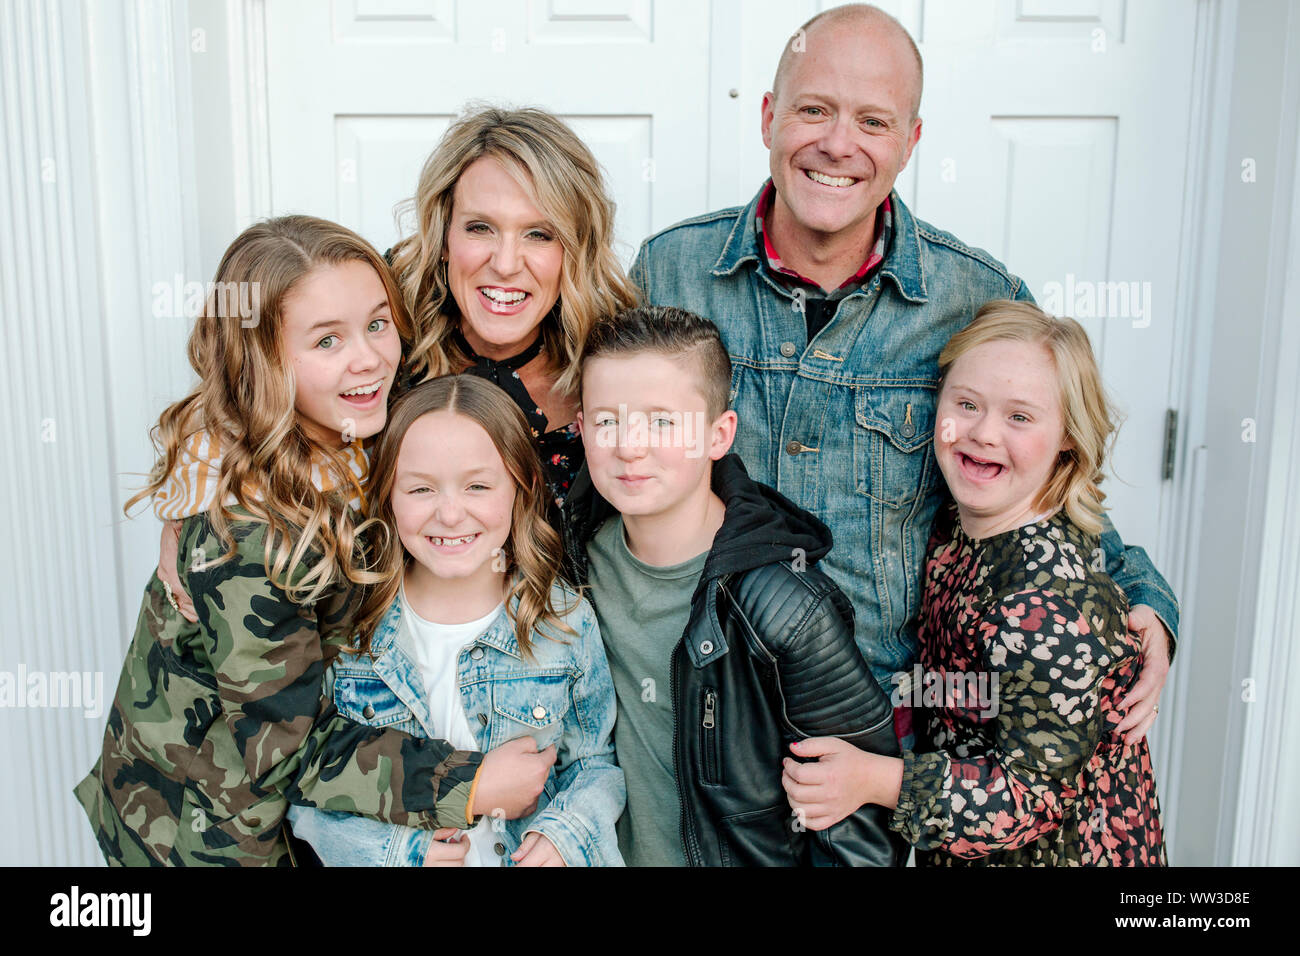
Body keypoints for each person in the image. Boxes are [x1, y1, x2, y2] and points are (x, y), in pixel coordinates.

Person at [629, 4, 1178, 748]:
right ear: (767, 117)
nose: (837, 144)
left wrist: (1144, 596)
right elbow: (605, 447)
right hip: (701, 708)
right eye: (813, 109)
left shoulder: (974, 297)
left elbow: (1042, 480)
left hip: (876, 727)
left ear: (911, 141)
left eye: (874, 122)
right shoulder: (674, 271)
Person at [74, 216, 553, 866]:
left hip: (299, 793)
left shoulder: (350, 415)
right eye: (328, 340)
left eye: (378, 324)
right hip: (205, 826)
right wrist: (465, 784)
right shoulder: (243, 533)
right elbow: (284, 746)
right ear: (263, 361)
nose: (370, 357)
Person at [157, 105, 639, 624]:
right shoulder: (382, 316)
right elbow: (247, 385)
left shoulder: (618, 352)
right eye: (480, 227)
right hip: (386, 667)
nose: (505, 262)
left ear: (577, 244)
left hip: (573, 662)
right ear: (443, 231)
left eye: (539, 234)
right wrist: (187, 514)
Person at [782, 300, 1167, 865]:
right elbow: (973, 686)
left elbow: (1027, 797)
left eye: (1020, 417)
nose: (983, 433)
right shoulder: (960, 524)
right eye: (966, 404)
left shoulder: (1046, 604)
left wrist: (875, 779)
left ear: (1069, 436)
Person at [562, 305, 907, 867]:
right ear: (580, 427)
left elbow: (858, 822)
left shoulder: (784, 605)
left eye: (663, 422)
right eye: (608, 421)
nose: (630, 446)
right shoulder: (573, 566)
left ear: (719, 435)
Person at [287, 375, 624, 867]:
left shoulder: (561, 620)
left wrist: (565, 835)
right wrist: (399, 853)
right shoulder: (351, 629)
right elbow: (309, 788)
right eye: (421, 488)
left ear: (521, 488)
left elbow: (595, 763)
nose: (449, 514)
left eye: (478, 486)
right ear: (387, 496)